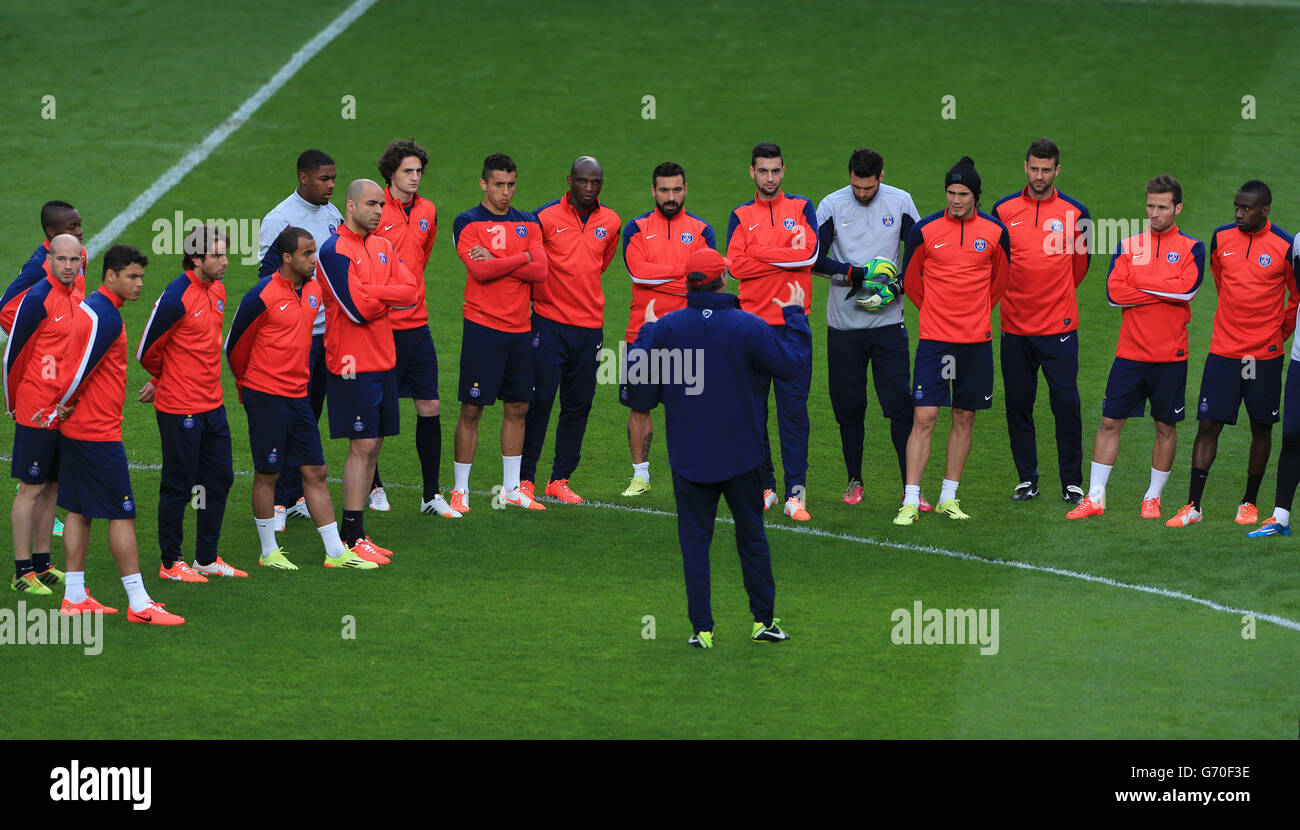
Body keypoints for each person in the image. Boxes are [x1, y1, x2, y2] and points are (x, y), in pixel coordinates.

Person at [629, 248, 804, 647]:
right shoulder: (749, 326)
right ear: (723, 279)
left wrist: (647, 330)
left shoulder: (668, 329)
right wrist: (794, 316)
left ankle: (702, 630)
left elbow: (636, 382)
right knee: (752, 538)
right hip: (743, 456)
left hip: (689, 457)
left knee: (695, 544)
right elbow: (791, 365)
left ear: (688, 283)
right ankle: (763, 622)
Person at [226, 226, 378, 569]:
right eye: (307, 254)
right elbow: (234, 347)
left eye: (314, 253)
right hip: (266, 397)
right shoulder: (262, 294)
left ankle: (336, 553)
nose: (314, 259)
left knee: (316, 470)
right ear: (286, 258)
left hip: (298, 396)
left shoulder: (313, 290)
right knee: (268, 473)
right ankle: (269, 552)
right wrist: (245, 386)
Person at [54, 244, 184, 624]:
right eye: (132, 276)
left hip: (79, 430)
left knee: (78, 510)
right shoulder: (106, 317)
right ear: (110, 275)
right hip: (97, 434)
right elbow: (79, 370)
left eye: (141, 276)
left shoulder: (92, 308)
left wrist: (62, 408)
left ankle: (74, 596)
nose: (139, 284)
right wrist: (62, 402)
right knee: (122, 514)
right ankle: (140, 604)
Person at [1068, 176, 1204, 520]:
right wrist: (1164, 288)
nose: (1154, 213)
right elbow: (1115, 294)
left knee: (1164, 427)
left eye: (1161, 207)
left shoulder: (1192, 248)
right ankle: (1095, 497)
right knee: (1110, 422)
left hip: (1170, 356)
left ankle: (1152, 498)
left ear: (1177, 208)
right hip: (1129, 353)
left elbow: (1186, 291)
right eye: (1150, 206)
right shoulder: (1128, 245)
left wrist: (1138, 281)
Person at [1171, 181, 1295, 526]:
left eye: (1246, 209)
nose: (1238, 214)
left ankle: (1249, 503)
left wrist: (1277, 334)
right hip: (1225, 351)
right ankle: (1193, 505)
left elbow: (1295, 297)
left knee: (1260, 426)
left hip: (1261, 357)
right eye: (1236, 207)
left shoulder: (1284, 246)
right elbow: (1222, 280)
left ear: (1265, 210)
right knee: (1208, 424)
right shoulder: (1221, 238)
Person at [894, 156, 1010, 524]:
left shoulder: (994, 231)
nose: (955, 200)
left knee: (964, 416)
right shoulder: (925, 231)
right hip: (935, 341)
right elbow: (911, 280)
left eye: (962, 193)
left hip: (975, 342)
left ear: (976, 195)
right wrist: (937, 312)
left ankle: (949, 496)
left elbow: (1000, 282)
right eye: (950, 192)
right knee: (925, 415)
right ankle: (911, 499)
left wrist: (974, 313)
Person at [812, 147, 924, 508]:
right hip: (844, 328)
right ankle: (854, 480)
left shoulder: (900, 202)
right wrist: (852, 273)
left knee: (899, 406)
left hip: (888, 325)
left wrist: (897, 286)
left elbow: (921, 255)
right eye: (856, 187)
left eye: (868, 187)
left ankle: (910, 490)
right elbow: (813, 258)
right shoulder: (831, 205)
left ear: (881, 176)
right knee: (849, 407)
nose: (862, 194)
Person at [316, 179, 420, 560]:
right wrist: (385, 295)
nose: (379, 211)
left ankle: (356, 534)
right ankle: (349, 538)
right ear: (351, 206)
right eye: (372, 204)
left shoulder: (383, 246)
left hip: (382, 361)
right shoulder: (334, 250)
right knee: (361, 446)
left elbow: (413, 292)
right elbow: (355, 310)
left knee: (374, 445)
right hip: (350, 365)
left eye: (381, 205)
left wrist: (373, 292)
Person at [137, 224, 241, 581]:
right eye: (218, 255)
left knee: (220, 478)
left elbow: (199, 346)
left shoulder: (219, 290)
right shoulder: (175, 296)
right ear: (196, 259)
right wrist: (162, 376)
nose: (226, 261)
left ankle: (206, 558)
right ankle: (171, 562)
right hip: (180, 407)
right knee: (179, 484)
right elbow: (146, 349)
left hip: (213, 403)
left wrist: (160, 375)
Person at [992, 138, 1091, 504]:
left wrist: (1053, 298)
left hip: (1059, 329)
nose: (1039, 176)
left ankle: (1072, 481)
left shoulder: (1077, 214)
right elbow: (998, 265)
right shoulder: (1002, 210)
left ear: (1057, 170)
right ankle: (1027, 478)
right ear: (1025, 166)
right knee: (1018, 403)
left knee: (1066, 403)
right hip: (1014, 328)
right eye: (1034, 168)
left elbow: (1079, 270)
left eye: (1046, 169)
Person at [449, 153, 549, 512]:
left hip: (521, 328)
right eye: (498, 185)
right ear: (483, 184)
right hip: (483, 327)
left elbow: (541, 272)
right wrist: (521, 258)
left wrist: (498, 258)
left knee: (518, 406)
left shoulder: (528, 222)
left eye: (510, 184)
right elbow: (480, 274)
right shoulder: (467, 222)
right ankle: (460, 490)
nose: (505, 192)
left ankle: (510, 488)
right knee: (472, 408)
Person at [725, 142, 818, 521]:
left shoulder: (802, 207)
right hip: (752, 330)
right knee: (753, 414)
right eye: (762, 171)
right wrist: (783, 260)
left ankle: (796, 494)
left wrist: (758, 252)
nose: (769, 178)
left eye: (775, 170)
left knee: (793, 413)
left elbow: (810, 256)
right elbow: (733, 267)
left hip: (793, 329)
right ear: (752, 172)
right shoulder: (740, 214)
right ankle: (766, 487)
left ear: (784, 170)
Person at [520, 156, 621, 504]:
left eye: (596, 182)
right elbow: (531, 263)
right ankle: (525, 479)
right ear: (570, 180)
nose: (589, 189)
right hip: (548, 324)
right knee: (540, 401)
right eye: (582, 181)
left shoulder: (611, 221)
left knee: (578, 405)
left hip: (589, 328)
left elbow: (600, 263)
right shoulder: (544, 217)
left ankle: (559, 479)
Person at [256, 149, 346, 525]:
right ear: (303, 177)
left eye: (333, 179)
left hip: (327, 335)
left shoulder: (334, 216)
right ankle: (278, 500)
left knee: (309, 415)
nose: (330, 186)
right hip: (295, 338)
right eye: (324, 179)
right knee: (286, 419)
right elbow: (266, 279)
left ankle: (293, 496)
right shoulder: (279, 219)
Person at [371, 138, 458, 517]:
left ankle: (430, 495)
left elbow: (422, 254)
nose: (415, 177)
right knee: (377, 410)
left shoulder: (429, 210)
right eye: (408, 171)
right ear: (391, 173)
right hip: (381, 328)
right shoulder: (374, 211)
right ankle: (374, 487)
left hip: (417, 325)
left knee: (430, 405)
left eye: (419, 171)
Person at [619, 161, 715, 496]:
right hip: (641, 335)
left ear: (686, 189)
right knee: (639, 407)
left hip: (689, 335)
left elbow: (705, 282)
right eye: (664, 190)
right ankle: (641, 476)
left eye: (676, 189)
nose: (670, 197)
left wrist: (663, 279)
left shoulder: (702, 230)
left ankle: (688, 476)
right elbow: (638, 274)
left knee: (688, 410)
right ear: (653, 191)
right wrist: (684, 274)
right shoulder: (636, 228)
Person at [4, 234, 83, 595]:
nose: (68, 266)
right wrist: (13, 403)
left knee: (53, 487)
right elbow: (12, 356)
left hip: (63, 408)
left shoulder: (78, 295)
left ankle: (42, 563)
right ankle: (22, 572)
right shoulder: (36, 299)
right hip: (37, 409)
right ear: (49, 259)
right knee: (31, 488)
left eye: (74, 260)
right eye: (62, 259)